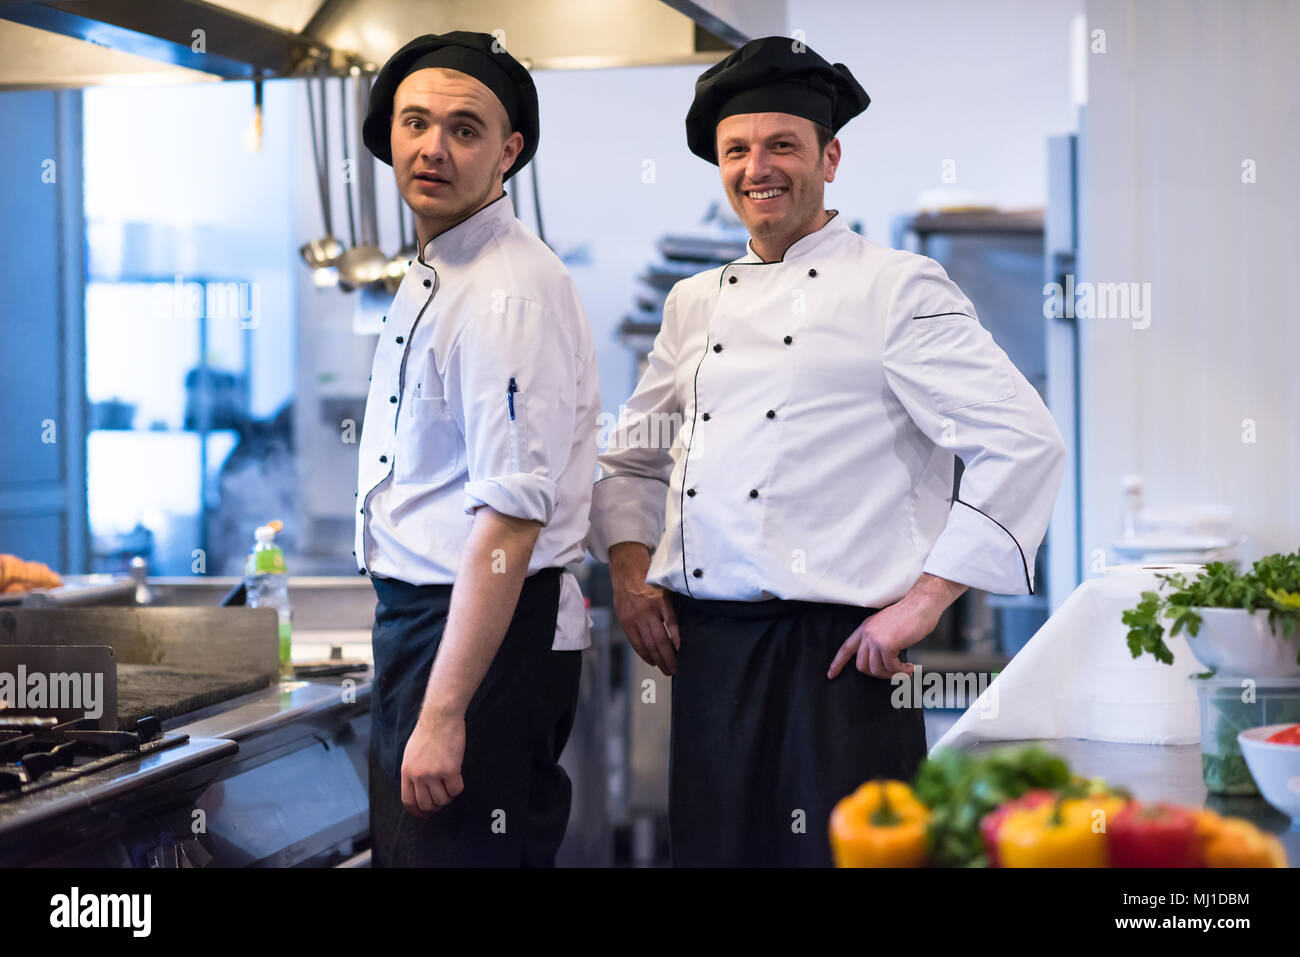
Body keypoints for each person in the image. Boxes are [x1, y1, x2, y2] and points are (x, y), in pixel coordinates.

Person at [588, 36, 1066, 866]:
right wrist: (631, 577)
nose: (757, 168)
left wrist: (923, 601)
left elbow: (1023, 440)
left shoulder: (897, 286)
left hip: (839, 664)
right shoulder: (693, 303)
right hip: (709, 656)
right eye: (737, 150)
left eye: (782, 145)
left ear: (829, 156)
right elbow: (630, 459)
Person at [355, 31, 599, 866]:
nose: (433, 147)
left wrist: (443, 709)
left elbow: (508, 524)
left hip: (485, 636)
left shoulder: (505, 292)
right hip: (437, 625)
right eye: (415, 122)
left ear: (509, 152)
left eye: (465, 129)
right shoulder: (441, 268)